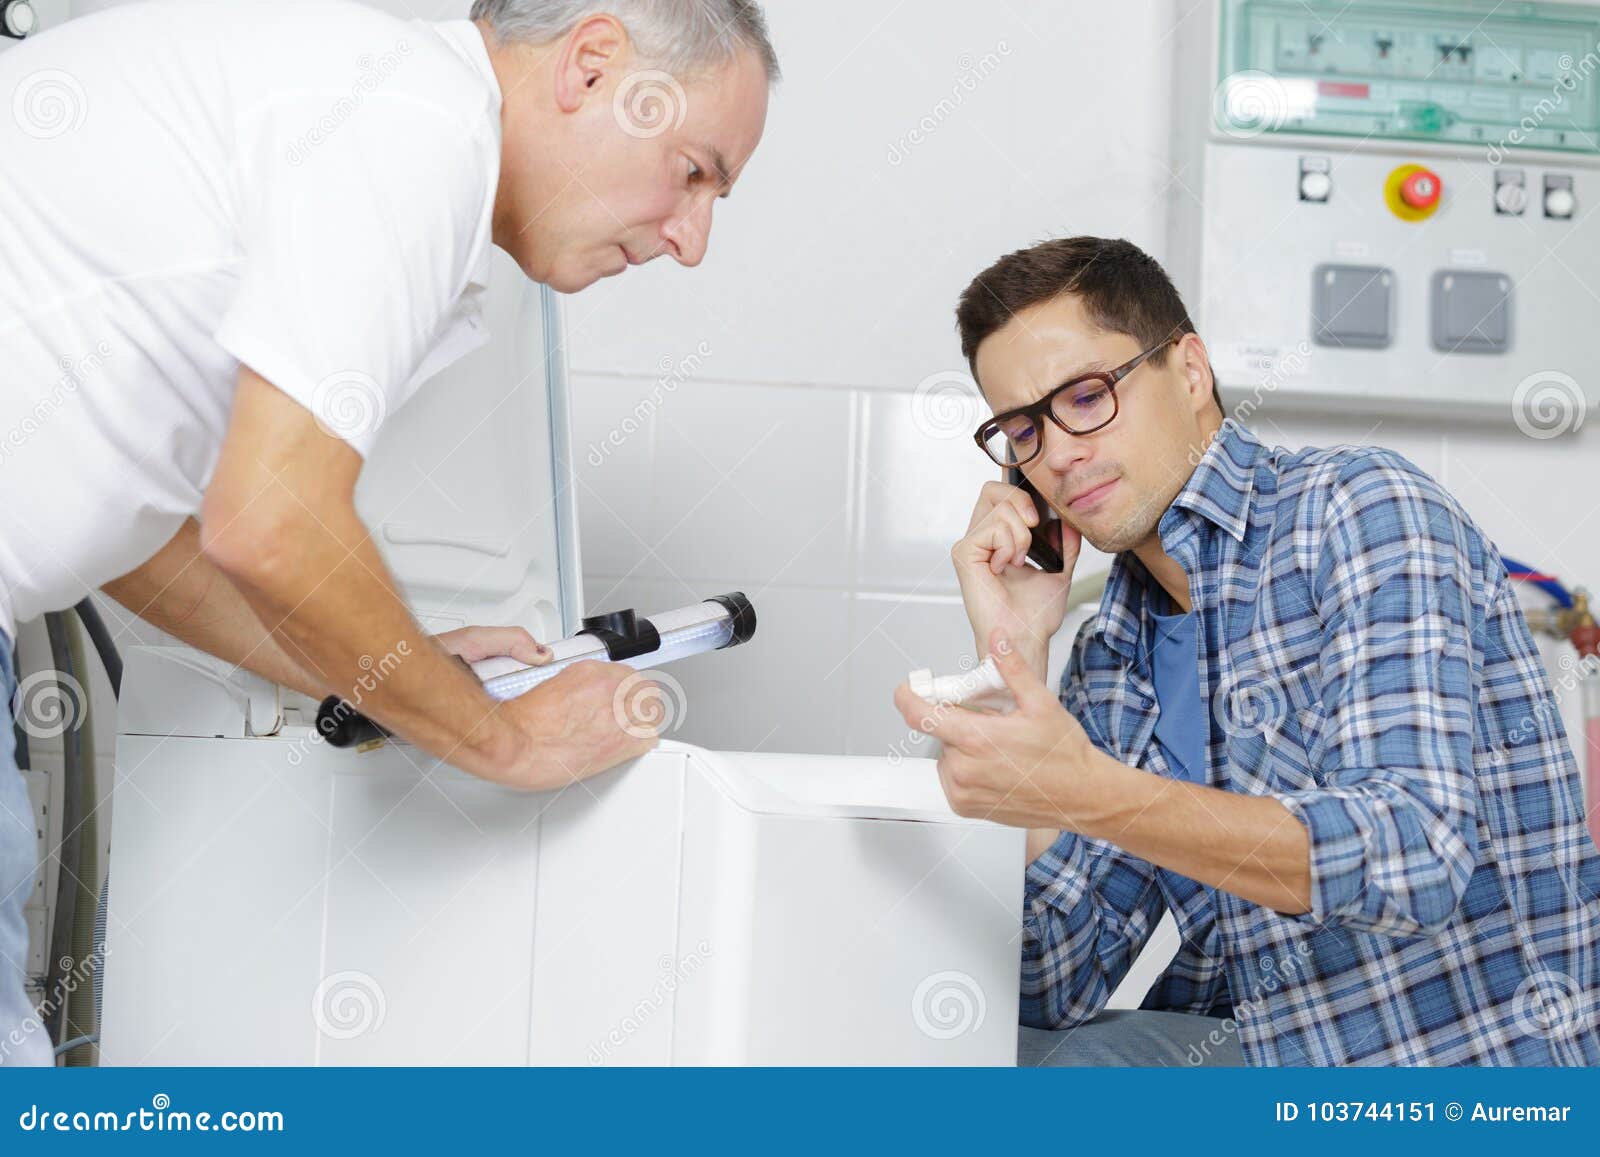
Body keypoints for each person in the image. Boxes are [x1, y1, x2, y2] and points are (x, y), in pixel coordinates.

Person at [0, 0, 777, 1067]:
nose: (691, 241)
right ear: (593, 65)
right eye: (693, 173)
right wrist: (504, 739)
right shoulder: (419, 122)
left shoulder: (366, 102)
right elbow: (271, 521)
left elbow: (146, 537)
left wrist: (394, 672)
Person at [896, 235, 1600, 1066]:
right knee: (975, 1059)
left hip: (1464, 1072)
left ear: (1191, 371)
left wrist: (1094, 791)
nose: (1056, 454)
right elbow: (1054, 984)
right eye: (1022, 429)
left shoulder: (1360, 508)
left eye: (1086, 396)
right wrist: (1015, 655)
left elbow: (1416, 854)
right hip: (1269, 1059)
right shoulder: (1113, 653)